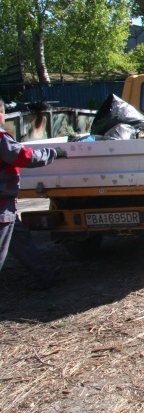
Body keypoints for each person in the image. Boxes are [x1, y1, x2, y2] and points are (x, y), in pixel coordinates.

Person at [0, 98, 68, 290]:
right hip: (1, 205)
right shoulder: (1, 139)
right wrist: (53, 153)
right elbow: (24, 157)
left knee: (20, 240)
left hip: (6, 206)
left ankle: (44, 275)